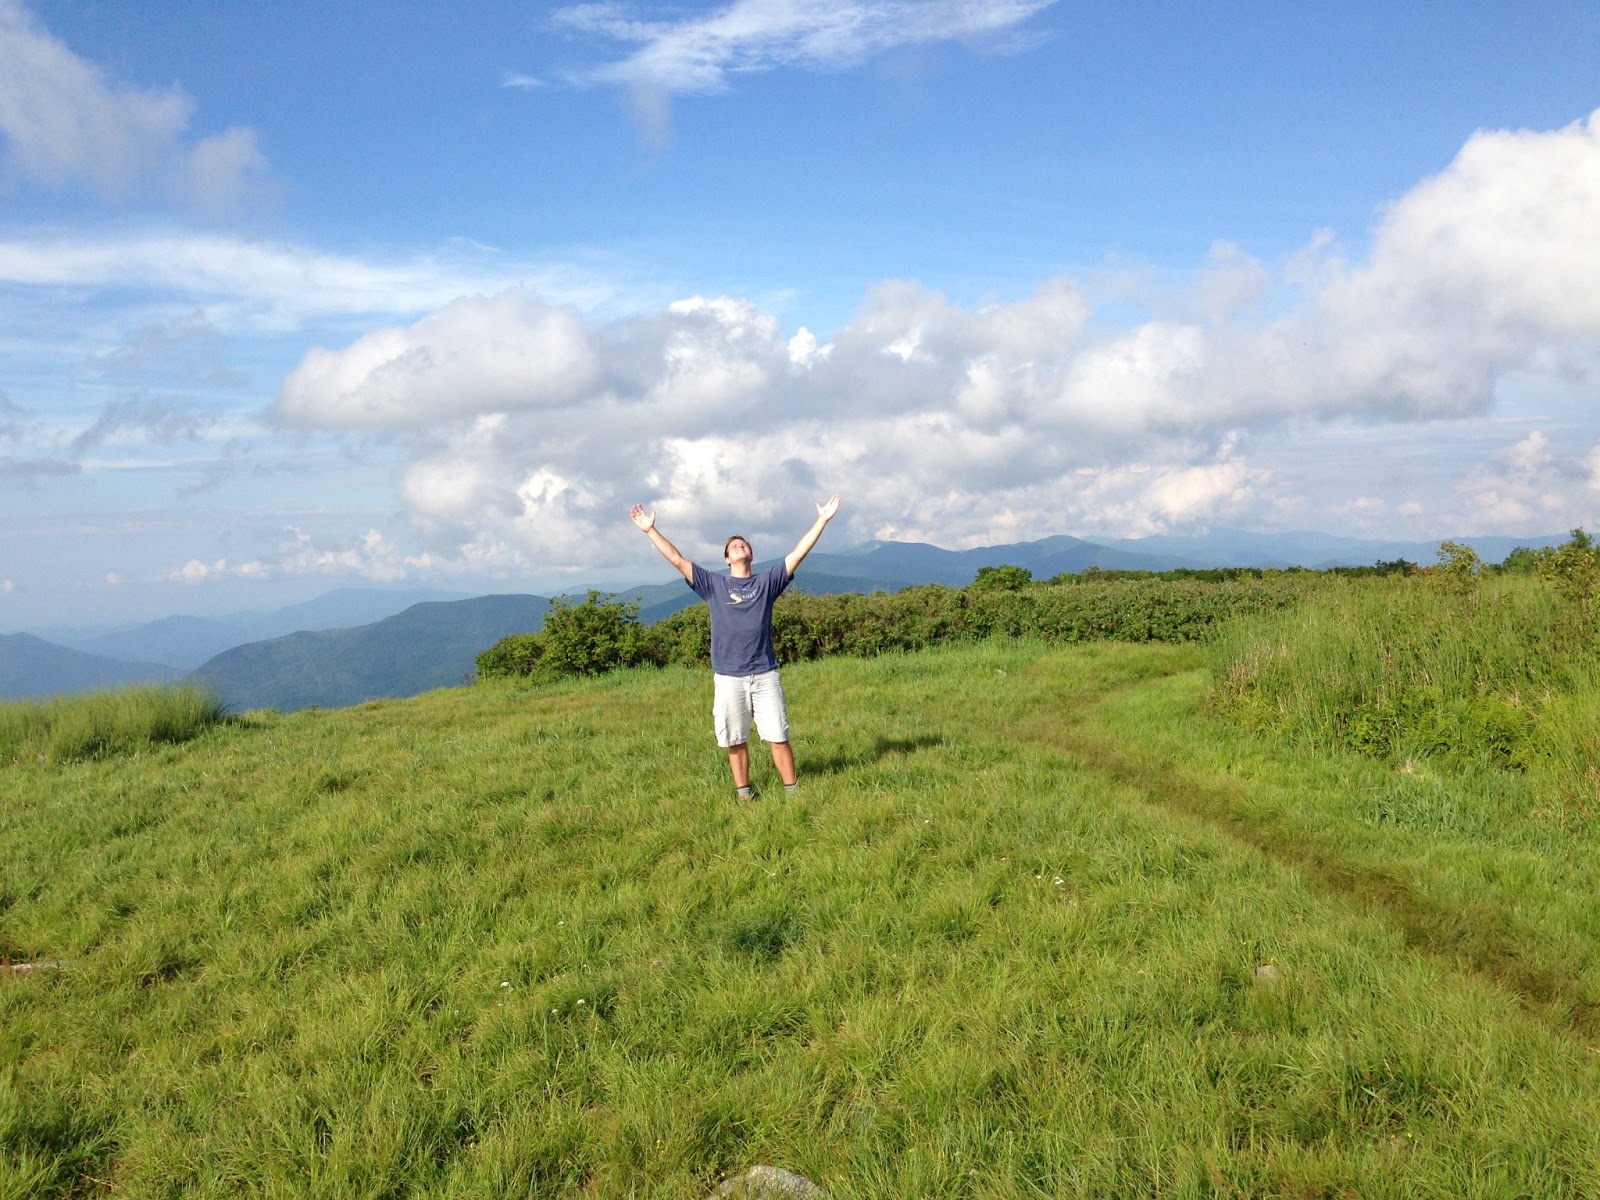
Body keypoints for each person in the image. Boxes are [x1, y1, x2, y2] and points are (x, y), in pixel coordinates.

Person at [629, 495, 842, 799]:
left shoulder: (767, 583)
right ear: (727, 559)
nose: (740, 546)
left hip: (765, 673)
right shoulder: (714, 584)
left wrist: (822, 520)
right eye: (733, 546)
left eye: (744, 544)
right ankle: (744, 793)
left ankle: (793, 792)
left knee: (778, 735)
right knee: (735, 738)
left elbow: (799, 552)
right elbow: (677, 559)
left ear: (750, 554)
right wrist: (650, 530)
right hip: (728, 675)